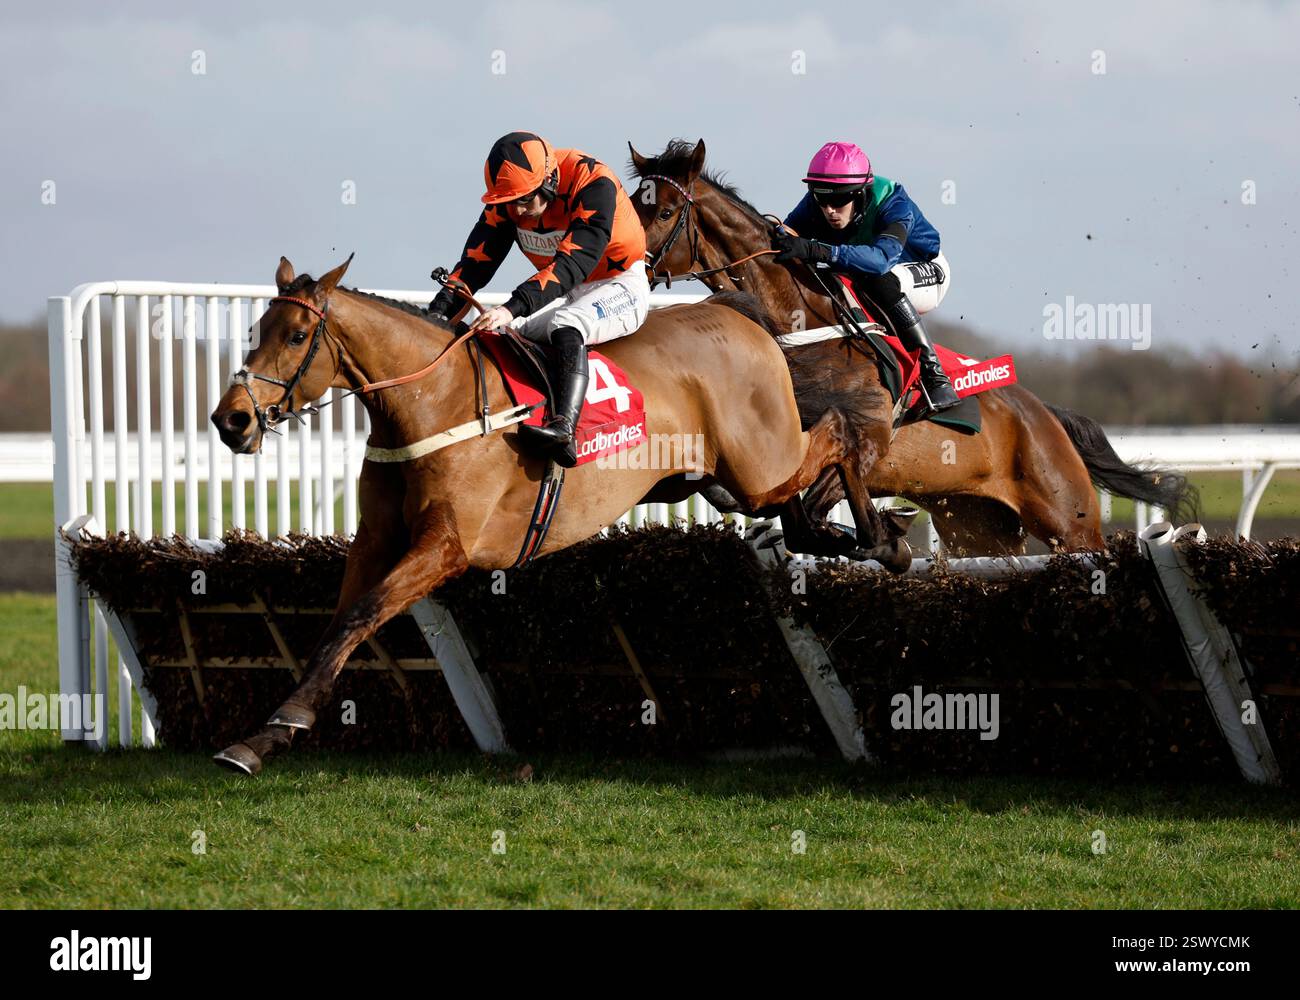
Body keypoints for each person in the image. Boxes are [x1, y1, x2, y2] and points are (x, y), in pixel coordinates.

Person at [429, 131, 649, 466]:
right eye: (508, 204)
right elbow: (475, 265)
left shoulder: (593, 183)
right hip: (564, 287)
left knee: (567, 321)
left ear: (550, 179)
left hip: (619, 283)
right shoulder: (509, 201)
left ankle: (564, 428)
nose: (517, 212)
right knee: (493, 330)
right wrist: (437, 314)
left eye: (524, 201)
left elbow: (571, 265)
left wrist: (511, 306)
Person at [773, 141, 960, 414]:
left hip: (925, 270)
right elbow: (786, 234)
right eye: (822, 199)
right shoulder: (821, 199)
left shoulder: (894, 203)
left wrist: (816, 249)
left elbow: (880, 261)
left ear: (861, 193)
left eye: (839, 200)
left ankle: (935, 376)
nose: (829, 210)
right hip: (865, 272)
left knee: (878, 278)